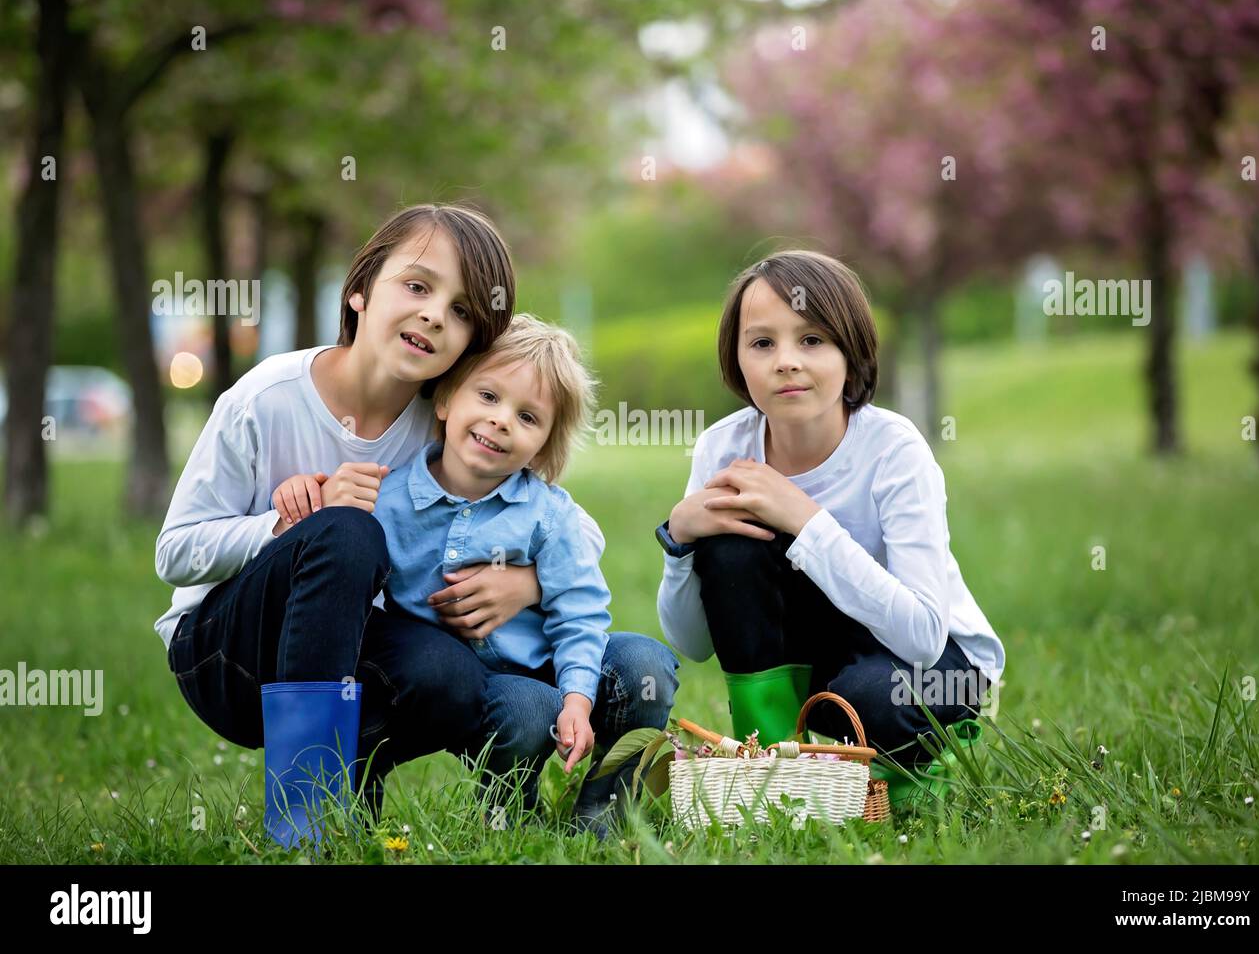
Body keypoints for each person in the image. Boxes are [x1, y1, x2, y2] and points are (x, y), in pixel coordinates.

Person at [155, 203, 602, 831]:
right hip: (226, 655)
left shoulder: (447, 418)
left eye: (462, 311)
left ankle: (350, 793)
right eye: (417, 286)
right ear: (361, 290)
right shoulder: (266, 399)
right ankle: (305, 820)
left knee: (449, 674)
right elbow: (173, 551)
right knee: (345, 531)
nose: (433, 314)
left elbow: (572, 527)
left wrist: (524, 582)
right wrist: (283, 526)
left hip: (349, 649)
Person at [655, 250, 1003, 768]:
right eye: (762, 343)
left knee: (868, 699)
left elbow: (923, 639)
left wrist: (805, 519)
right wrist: (679, 542)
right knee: (731, 544)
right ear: (737, 358)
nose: (786, 361)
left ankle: (929, 766)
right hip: (830, 650)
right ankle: (773, 768)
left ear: (850, 352)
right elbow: (694, 645)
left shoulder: (893, 449)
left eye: (812, 340)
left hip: (938, 664)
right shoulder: (723, 449)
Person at [369, 314, 678, 836]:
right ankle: (510, 810)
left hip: (554, 665)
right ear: (444, 400)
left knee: (645, 665)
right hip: (475, 690)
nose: (502, 421)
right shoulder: (388, 503)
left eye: (529, 417)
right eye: (487, 397)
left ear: (544, 444)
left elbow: (579, 611)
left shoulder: (548, 514)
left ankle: (603, 806)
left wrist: (578, 700)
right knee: (529, 705)